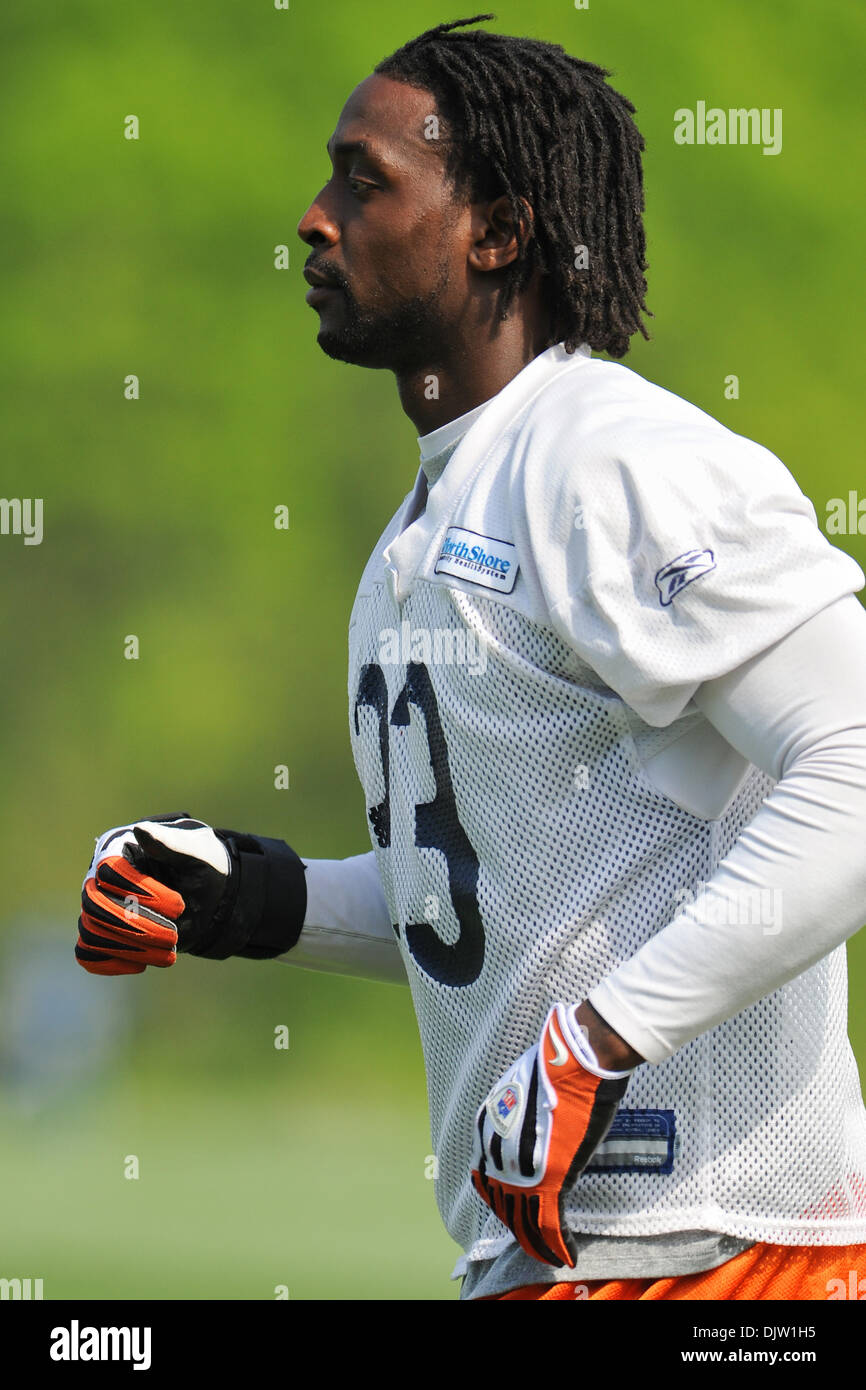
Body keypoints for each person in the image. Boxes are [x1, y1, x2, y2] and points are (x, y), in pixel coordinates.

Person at [76, 17, 866, 1301]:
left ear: (496, 232)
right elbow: (489, 906)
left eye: (363, 180)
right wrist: (248, 898)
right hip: (575, 1259)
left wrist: (600, 1040)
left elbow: (854, 767)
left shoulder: (611, 460)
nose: (313, 219)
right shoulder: (428, 526)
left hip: (726, 1252)